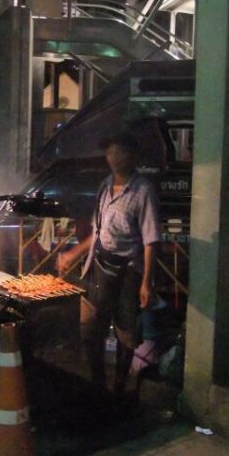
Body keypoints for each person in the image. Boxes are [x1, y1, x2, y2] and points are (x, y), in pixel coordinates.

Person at [58, 131, 160, 397]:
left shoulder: (143, 190)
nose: (114, 158)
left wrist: (147, 282)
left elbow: (151, 240)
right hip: (99, 265)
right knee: (90, 327)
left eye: (120, 152)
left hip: (128, 271)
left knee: (126, 332)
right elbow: (98, 232)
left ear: (133, 157)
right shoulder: (104, 186)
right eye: (110, 152)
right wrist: (74, 254)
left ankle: (119, 386)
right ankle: (98, 383)